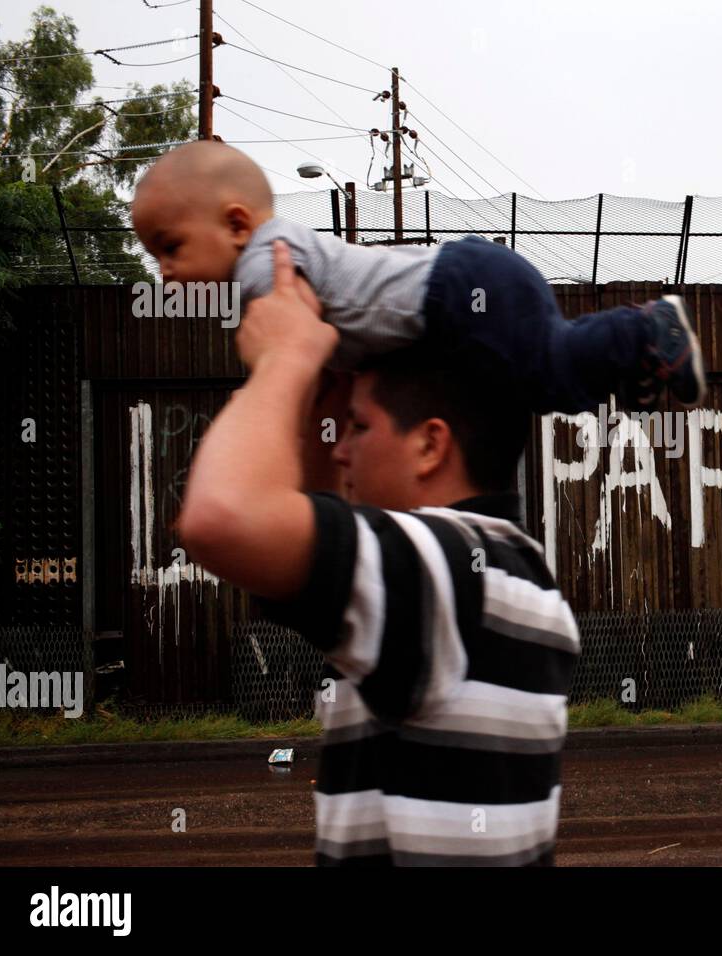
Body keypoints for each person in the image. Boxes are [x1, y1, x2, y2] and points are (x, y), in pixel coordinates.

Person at [178, 240, 580, 866]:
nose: (342, 449)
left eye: (359, 428)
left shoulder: (440, 570)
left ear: (429, 446)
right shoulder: (495, 570)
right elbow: (311, 521)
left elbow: (221, 518)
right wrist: (322, 397)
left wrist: (285, 359)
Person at [130, 140, 706, 414]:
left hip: (455, 293)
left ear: (235, 223)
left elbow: (300, 346)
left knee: (546, 368)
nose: (165, 269)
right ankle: (633, 367)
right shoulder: (278, 249)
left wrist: (265, 400)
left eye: (171, 246)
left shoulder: (261, 266)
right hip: (465, 282)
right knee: (535, 384)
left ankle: (646, 332)